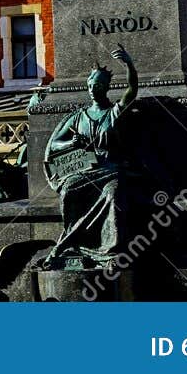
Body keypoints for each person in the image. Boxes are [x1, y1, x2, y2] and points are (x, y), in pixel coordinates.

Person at [42, 45, 139, 268]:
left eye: (98, 85)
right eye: (90, 85)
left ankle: (109, 251)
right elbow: (55, 144)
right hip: (85, 170)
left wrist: (129, 65)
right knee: (68, 191)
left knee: (113, 194)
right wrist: (71, 143)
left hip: (111, 168)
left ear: (105, 87)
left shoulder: (114, 112)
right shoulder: (78, 117)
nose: (93, 89)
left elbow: (132, 91)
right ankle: (75, 245)